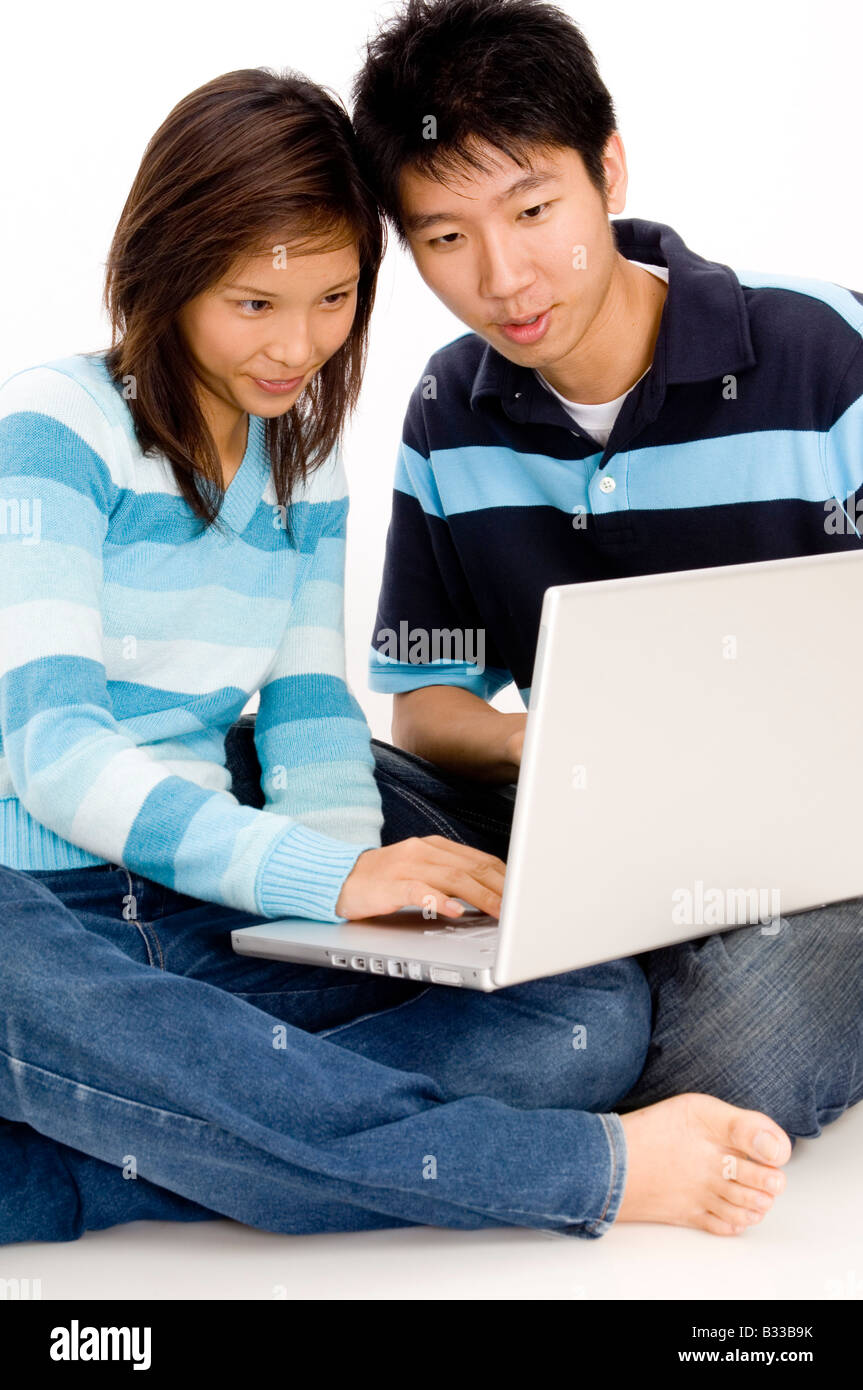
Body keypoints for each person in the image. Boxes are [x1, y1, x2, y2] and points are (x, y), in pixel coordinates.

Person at [0, 65, 791, 1250]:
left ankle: (95, 1154)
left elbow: (312, 698)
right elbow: (54, 751)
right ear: (160, 278)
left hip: (195, 896)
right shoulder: (56, 425)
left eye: (331, 301)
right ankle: (585, 1168)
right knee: (142, 1027)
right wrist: (326, 882)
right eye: (252, 305)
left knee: (587, 1017)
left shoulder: (295, 453)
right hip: (33, 910)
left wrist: (346, 899)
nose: (298, 348)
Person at [327, 0, 863, 1216]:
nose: (503, 279)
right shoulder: (447, 407)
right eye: (446, 236)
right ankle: (569, 1014)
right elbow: (428, 707)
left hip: (811, 868)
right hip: (564, 828)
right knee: (279, 758)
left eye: (531, 211)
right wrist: (565, 743)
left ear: (606, 169)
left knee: (738, 1054)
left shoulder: (822, 355)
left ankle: (529, 1041)